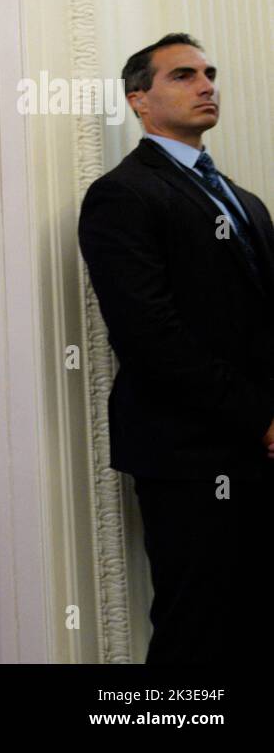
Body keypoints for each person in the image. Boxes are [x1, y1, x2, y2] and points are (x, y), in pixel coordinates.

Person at [78, 33, 274, 663]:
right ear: (139, 99)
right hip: (189, 452)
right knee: (197, 628)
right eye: (184, 75)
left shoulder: (246, 202)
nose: (207, 85)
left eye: (210, 73)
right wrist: (258, 417)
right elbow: (149, 336)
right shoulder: (122, 194)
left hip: (258, 448)